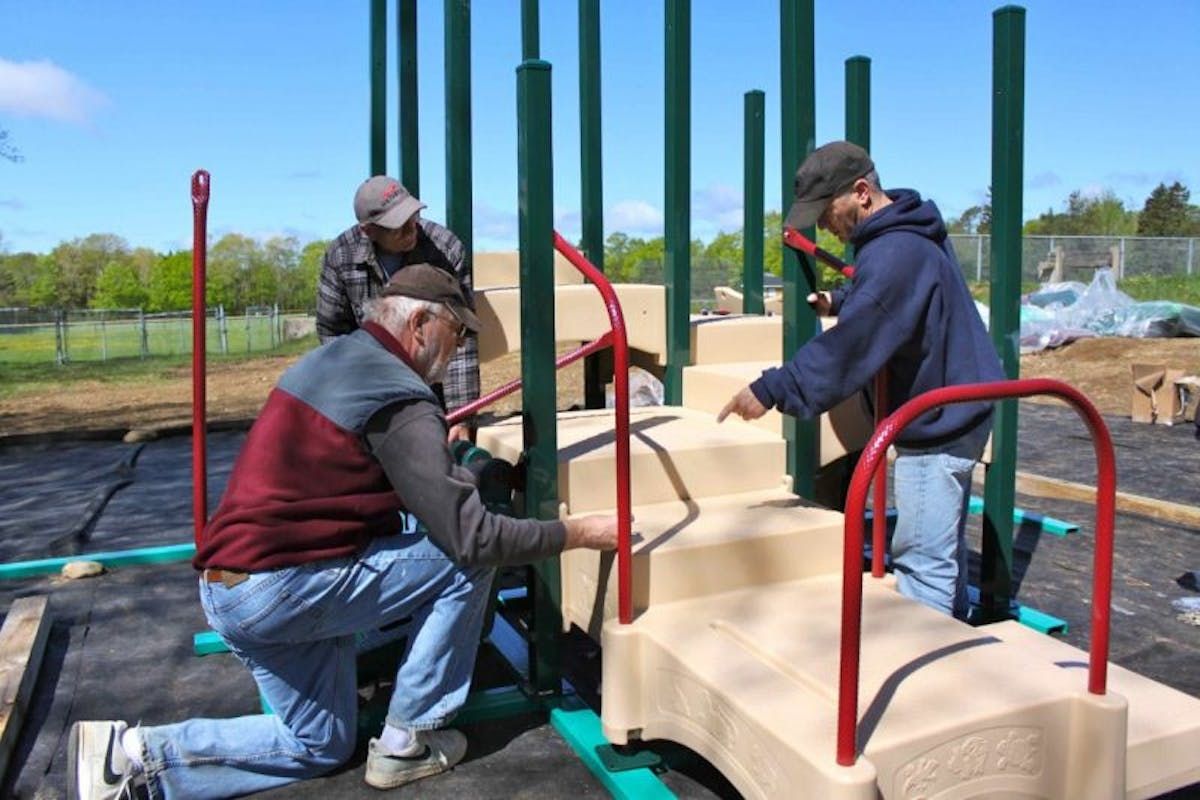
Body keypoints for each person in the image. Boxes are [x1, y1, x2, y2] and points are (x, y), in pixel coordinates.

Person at [68, 264, 618, 800]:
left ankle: (133, 758)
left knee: (319, 745)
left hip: (230, 588)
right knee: (466, 562)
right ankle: (408, 740)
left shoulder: (334, 362)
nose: (457, 351)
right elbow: (472, 539)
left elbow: (365, 478)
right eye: (455, 333)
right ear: (420, 324)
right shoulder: (400, 396)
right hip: (283, 589)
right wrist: (577, 531)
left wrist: (450, 470)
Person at [718, 140, 1004, 621]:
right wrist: (844, 300)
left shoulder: (895, 251)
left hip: (937, 420)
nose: (824, 227)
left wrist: (771, 388)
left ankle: (926, 661)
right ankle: (956, 641)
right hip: (959, 402)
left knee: (923, 565)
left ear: (861, 192)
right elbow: (897, 301)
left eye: (826, 211)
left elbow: (852, 344)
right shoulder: (911, 235)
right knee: (942, 554)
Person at [318, 175, 479, 443]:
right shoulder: (340, 257)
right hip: (370, 386)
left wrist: (462, 416)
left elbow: (460, 337)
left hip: (431, 386)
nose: (411, 229)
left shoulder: (445, 249)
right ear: (369, 231)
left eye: (412, 217)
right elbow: (332, 335)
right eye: (398, 226)